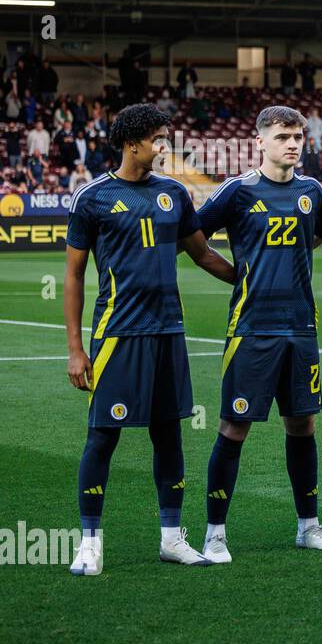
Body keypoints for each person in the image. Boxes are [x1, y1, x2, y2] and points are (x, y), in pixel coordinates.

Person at [63, 103, 237, 576]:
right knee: (103, 436)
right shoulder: (93, 198)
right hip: (118, 334)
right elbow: (74, 276)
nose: (165, 147)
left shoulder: (173, 194)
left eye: (167, 138)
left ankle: (171, 539)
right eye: (158, 139)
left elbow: (202, 254)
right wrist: (77, 349)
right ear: (131, 142)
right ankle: (90, 542)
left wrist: (247, 280)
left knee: (169, 434)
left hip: (168, 331)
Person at [195, 106, 322, 562]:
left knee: (303, 423)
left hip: (301, 328)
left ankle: (308, 526)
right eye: (283, 136)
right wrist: (235, 275)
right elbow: (193, 237)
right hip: (251, 329)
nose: (293, 144)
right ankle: (214, 533)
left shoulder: (311, 191)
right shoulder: (237, 191)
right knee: (235, 426)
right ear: (260, 143)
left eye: (298, 136)